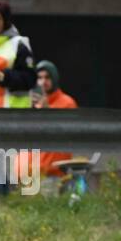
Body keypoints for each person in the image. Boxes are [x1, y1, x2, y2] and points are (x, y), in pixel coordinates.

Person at [15, 60, 79, 188]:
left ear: (54, 78)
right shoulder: (31, 104)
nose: (43, 82)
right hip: (24, 177)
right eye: (39, 78)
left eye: (47, 77)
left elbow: (65, 135)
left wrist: (47, 112)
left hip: (50, 176)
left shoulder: (67, 103)